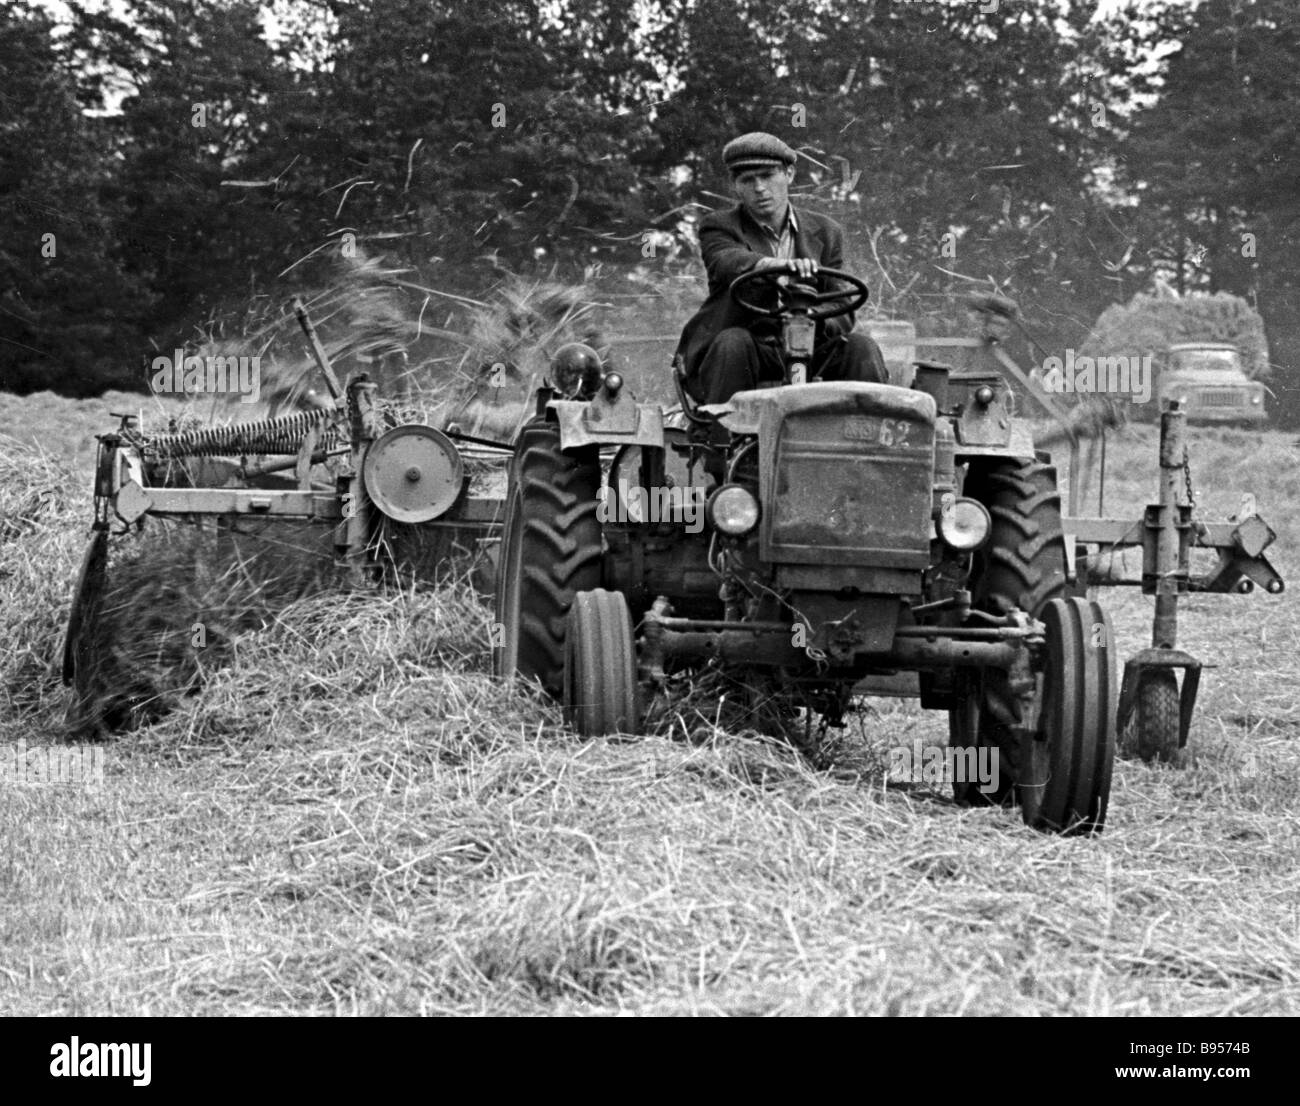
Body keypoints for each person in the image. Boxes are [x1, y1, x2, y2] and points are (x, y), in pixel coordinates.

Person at [676, 132, 888, 406]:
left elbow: (842, 308)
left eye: (767, 176)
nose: (760, 188)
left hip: (811, 346)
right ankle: (722, 440)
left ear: (789, 174)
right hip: (751, 345)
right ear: (736, 186)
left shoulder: (826, 232)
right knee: (732, 342)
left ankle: (866, 438)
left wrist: (813, 316)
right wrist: (775, 266)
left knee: (861, 347)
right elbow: (726, 261)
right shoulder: (719, 226)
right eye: (748, 180)